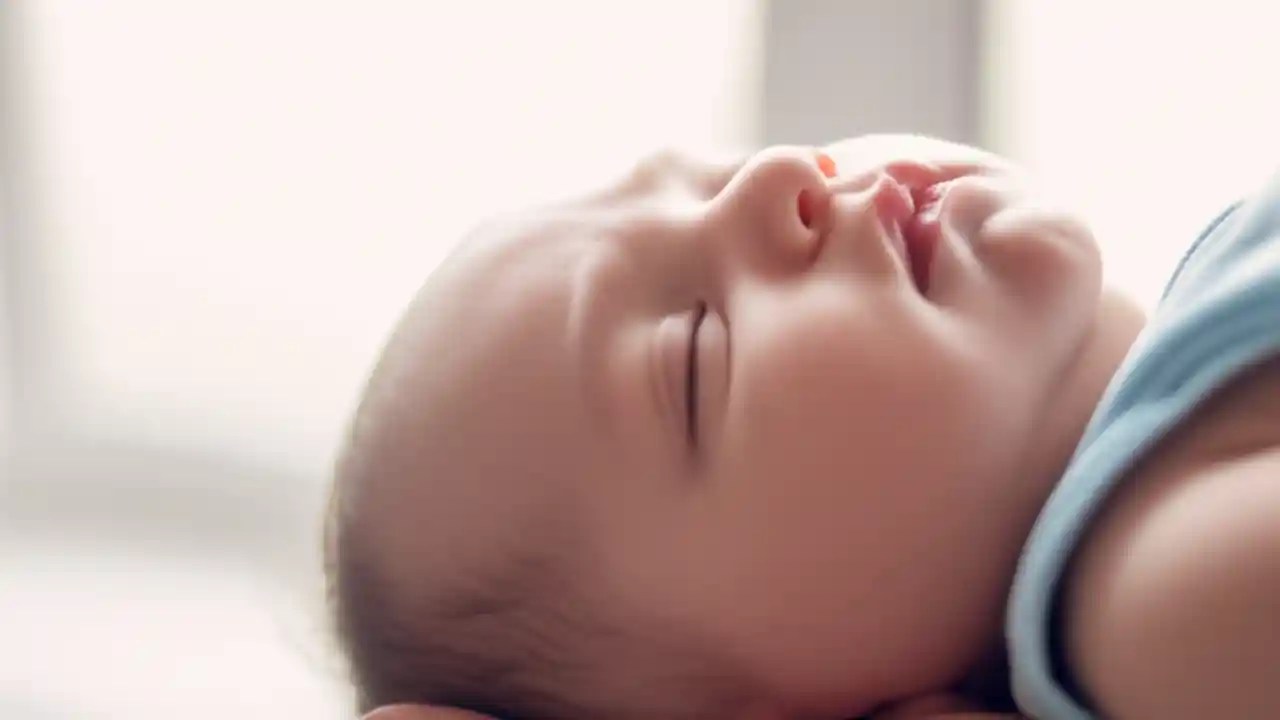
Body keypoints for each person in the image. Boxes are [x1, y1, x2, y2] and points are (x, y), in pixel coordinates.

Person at [325, 134, 1280, 719]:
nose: (782, 178)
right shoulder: (1156, 610)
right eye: (697, 348)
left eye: (715, 175)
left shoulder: (1195, 364)